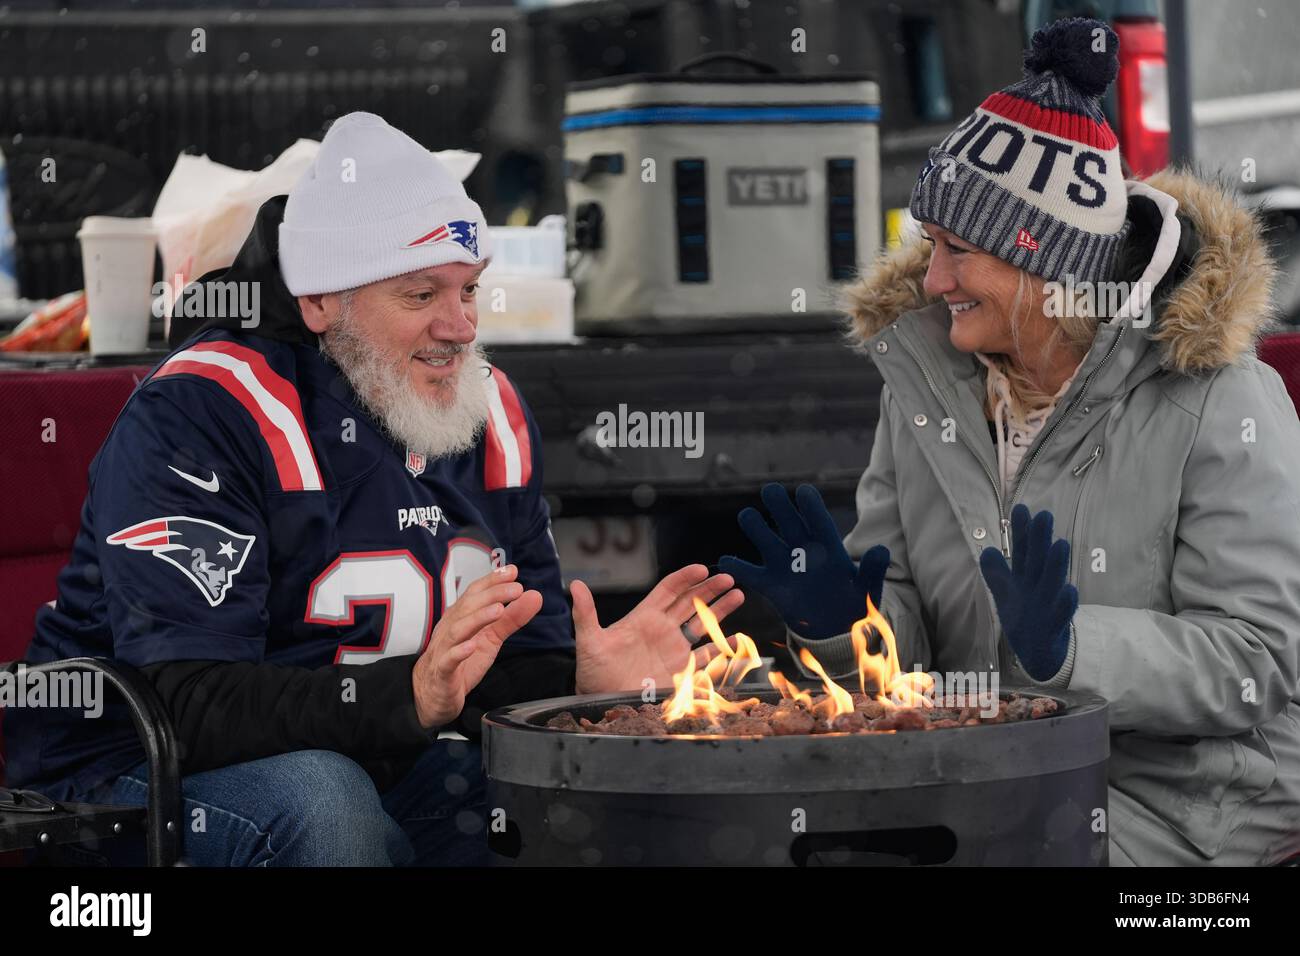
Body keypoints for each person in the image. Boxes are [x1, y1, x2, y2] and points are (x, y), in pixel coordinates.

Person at [8, 112, 741, 866]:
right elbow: (186, 698)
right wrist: (407, 698)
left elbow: (506, 667)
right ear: (321, 301)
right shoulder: (203, 411)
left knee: (544, 797)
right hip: (119, 774)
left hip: (371, 758)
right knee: (324, 805)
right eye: (421, 295)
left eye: (468, 291)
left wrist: (583, 685)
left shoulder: (490, 414)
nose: (459, 327)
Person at [721, 18, 1300, 866]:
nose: (934, 279)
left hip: (1187, 801)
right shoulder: (925, 390)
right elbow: (907, 668)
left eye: (960, 251)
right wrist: (845, 630)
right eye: (932, 246)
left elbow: (1258, 660)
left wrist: (1071, 650)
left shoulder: (1217, 394)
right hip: (990, 774)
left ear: (1049, 270)